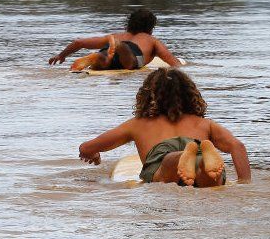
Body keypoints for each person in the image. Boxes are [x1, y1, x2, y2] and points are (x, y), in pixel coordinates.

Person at [78, 67, 251, 186]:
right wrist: (245, 183)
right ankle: (202, 161)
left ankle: (178, 157)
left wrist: (93, 154)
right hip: (197, 145)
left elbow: (86, 148)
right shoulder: (204, 124)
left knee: (164, 168)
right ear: (189, 94)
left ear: (148, 95)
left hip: (163, 154)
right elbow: (238, 147)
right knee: (208, 177)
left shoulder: (138, 125)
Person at [48, 8, 181, 71]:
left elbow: (79, 42)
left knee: (104, 59)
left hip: (109, 48)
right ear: (151, 28)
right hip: (131, 53)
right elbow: (173, 62)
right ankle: (120, 47)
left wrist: (61, 55)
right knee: (129, 62)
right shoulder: (151, 40)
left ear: (129, 24)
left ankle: (100, 56)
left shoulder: (117, 35)